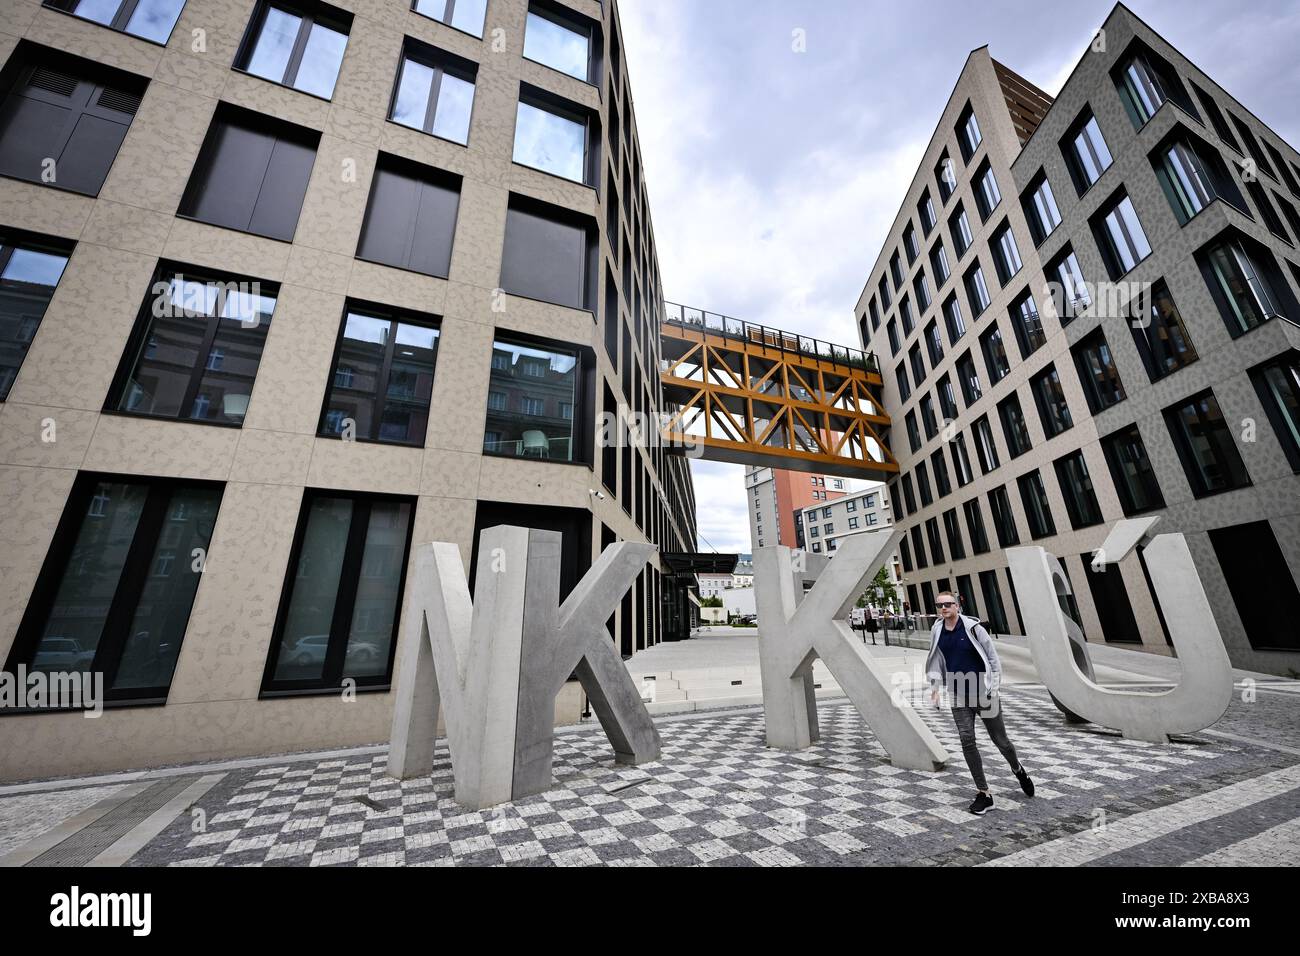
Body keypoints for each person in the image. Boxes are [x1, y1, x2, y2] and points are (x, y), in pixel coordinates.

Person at [925, 591, 1034, 815]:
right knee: (967, 740)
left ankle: (1018, 769)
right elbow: (936, 659)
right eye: (939, 605)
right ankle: (984, 793)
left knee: (1001, 741)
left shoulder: (974, 629)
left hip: (983, 692)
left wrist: (993, 688)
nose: (943, 608)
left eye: (948, 604)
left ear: (957, 605)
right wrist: (935, 688)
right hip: (957, 693)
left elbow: (993, 659)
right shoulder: (937, 630)